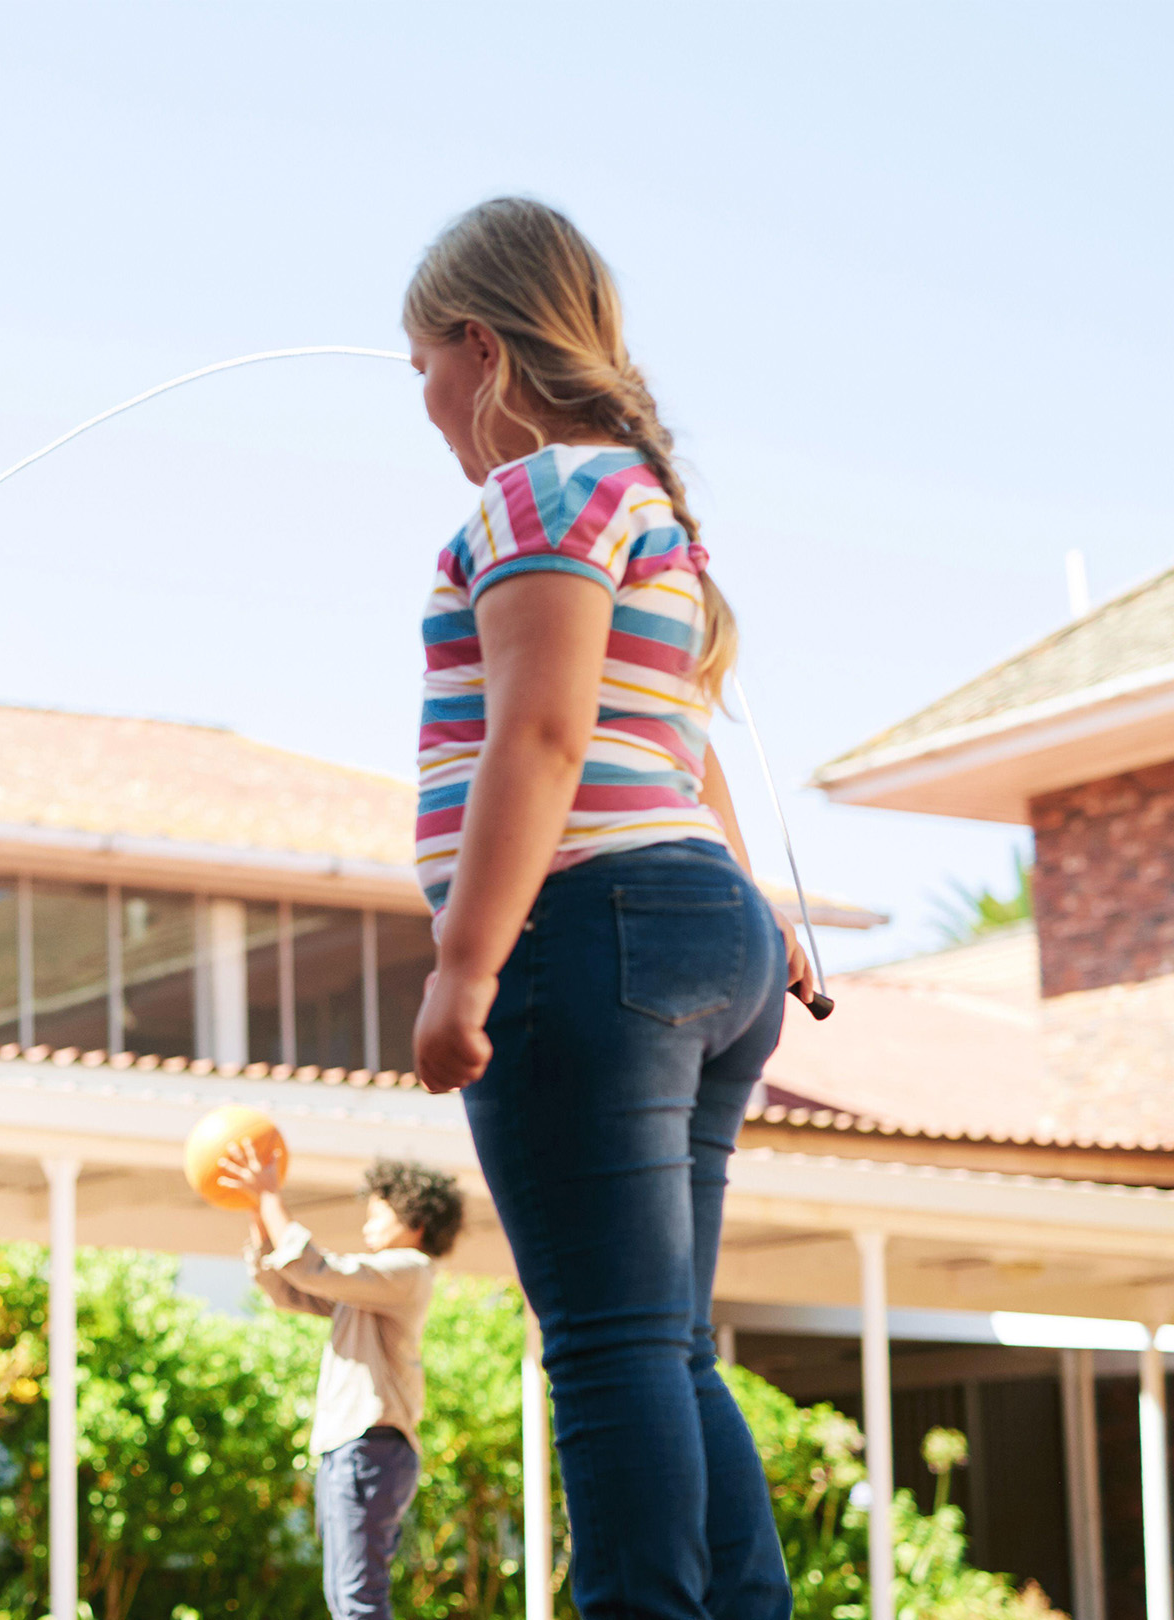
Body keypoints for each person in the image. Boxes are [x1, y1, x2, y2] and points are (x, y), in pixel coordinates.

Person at [400, 198, 813, 1618]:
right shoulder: (641, 506)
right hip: (702, 931)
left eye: (424, 371)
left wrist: (465, 967)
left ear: (481, 348)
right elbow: (681, 750)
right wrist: (761, 913)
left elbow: (543, 734)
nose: (427, 406)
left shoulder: (539, 494)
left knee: (608, 1346)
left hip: (591, 933)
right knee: (664, 1344)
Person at [226, 1150, 463, 1620]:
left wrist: (270, 1196)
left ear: (416, 1221)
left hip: (370, 1449)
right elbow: (290, 1289)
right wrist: (258, 1214)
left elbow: (314, 1268)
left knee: (357, 1599)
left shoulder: (407, 1270)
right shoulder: (371, 1291)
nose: (367, 1224)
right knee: (347, 1596)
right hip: (356, 1451)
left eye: (378, 1213)